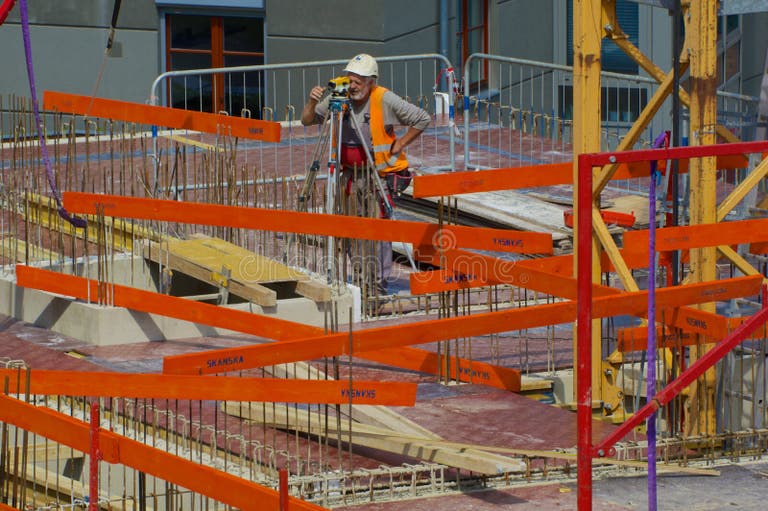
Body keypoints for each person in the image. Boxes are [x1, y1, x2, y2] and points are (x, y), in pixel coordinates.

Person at [301, 54, 430, 297]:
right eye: (351, 78)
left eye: (359, 80)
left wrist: (401, 143)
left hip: (376, 177)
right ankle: (360, 277)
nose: (353, 84)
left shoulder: (384, 98)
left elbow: (422, 118)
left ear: (371, 81)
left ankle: (377, 285)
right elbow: (307, 120)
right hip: (348, 176)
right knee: (351, 229)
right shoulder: (339, 96)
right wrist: (311, 102)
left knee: (377, 232)